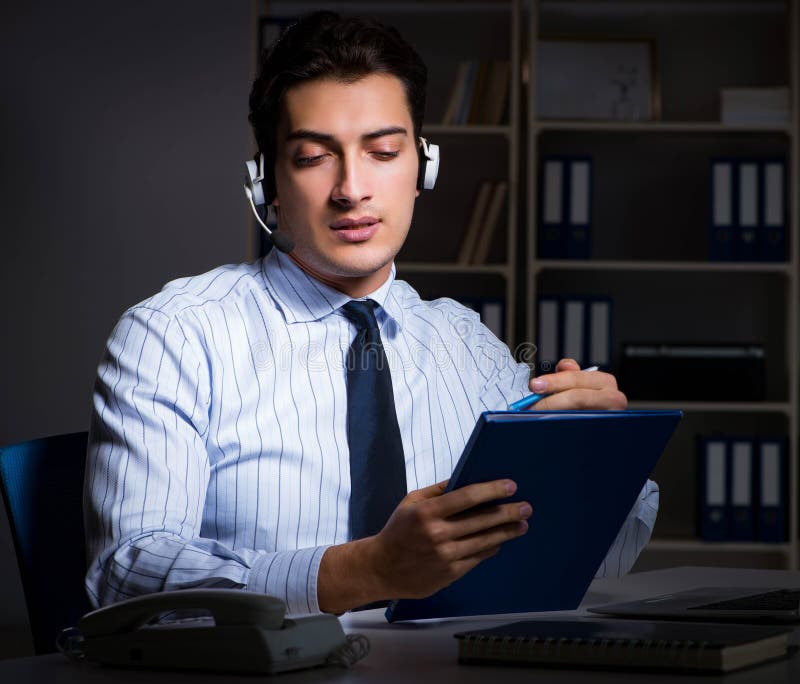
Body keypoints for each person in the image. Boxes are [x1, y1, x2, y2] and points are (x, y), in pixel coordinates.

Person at [84, 11, 656, 616]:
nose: (352, 188)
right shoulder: (173, 334)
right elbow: (126, 573)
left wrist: (597, 455)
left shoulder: (464, 339)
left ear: (422, 170)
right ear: (265, 185)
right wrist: (367, 571)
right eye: (312, 157)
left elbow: (605, 558)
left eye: (383, 151)